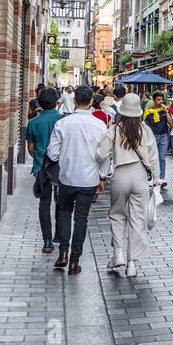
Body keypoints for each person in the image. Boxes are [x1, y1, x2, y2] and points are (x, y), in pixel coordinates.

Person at [96, 93, 161, 278]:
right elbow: (154, 157)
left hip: (120, 175)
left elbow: (101, 155)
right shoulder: (146, 130)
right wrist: (156, 178)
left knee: (117, 215)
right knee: (137, 219)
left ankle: (118, 254)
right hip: (140, 176)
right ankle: (132, 263)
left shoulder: (114, 130)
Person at [46, 87, 109, 274]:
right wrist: (103, 177)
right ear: (91, 102)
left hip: (67, 177)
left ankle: (63, 252)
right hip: (89, 179)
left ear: (74, 102)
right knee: (81, 219)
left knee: (65, 213)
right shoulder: (99, 125)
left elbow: (53, 153)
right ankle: (74, 261)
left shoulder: (63, 123)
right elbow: (104, 155)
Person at [26, 88, 64, 254]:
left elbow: (31, 148)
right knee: (61, 201)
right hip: (60, 167)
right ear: (56, 102)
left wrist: (40, 158)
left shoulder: (34, 122)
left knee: (44, 202)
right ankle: (58, 234)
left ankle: (47, 240)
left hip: (41, 167)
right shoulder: (63, 120)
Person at [143, 91, 170, 186]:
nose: (160, 101)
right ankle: (153, 178)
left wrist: (166, 112)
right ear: (154, 100)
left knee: (162, 158)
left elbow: (170, 123)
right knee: (152, 158)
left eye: (162, 99)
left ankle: (161, 178)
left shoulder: (165, 111)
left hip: (163, 136)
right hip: (153, 137)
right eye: (158, 99)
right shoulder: (149, 112)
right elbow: (145, 125)